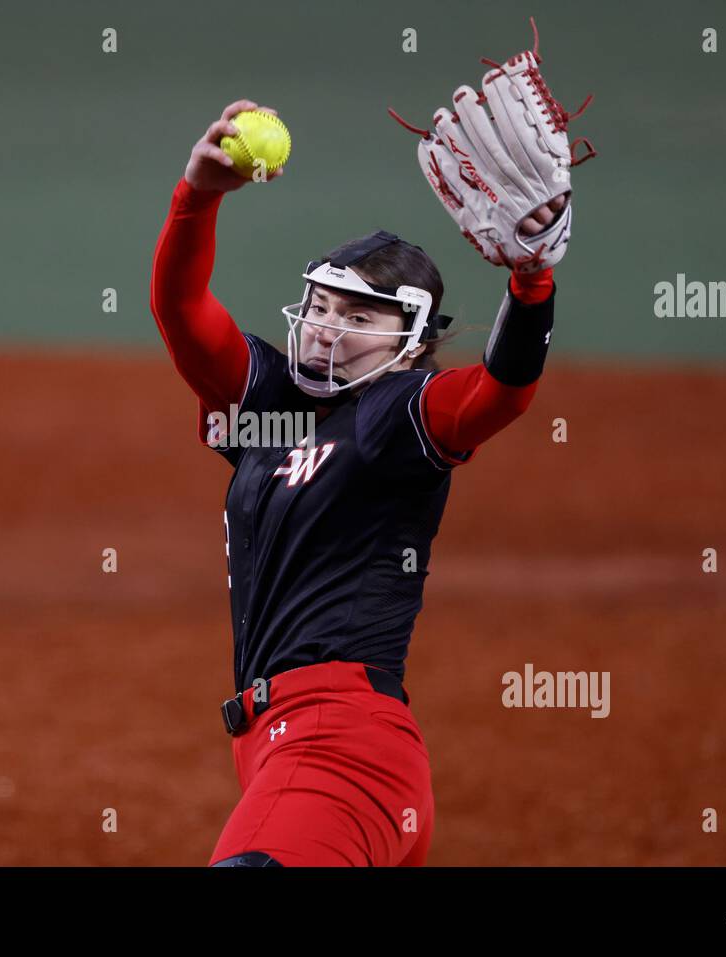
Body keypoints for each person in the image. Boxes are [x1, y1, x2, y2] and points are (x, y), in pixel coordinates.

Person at [149, 92, 571, 866]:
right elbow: (181, 310)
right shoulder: (268, 404)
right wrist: (198, 193)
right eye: (319, 305)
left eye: (358, 314)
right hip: (294, 756)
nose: (325, 325)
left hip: (337, 755)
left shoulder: (394, 413)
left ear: (410, 343)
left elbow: (499, 392)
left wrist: (532, 284)